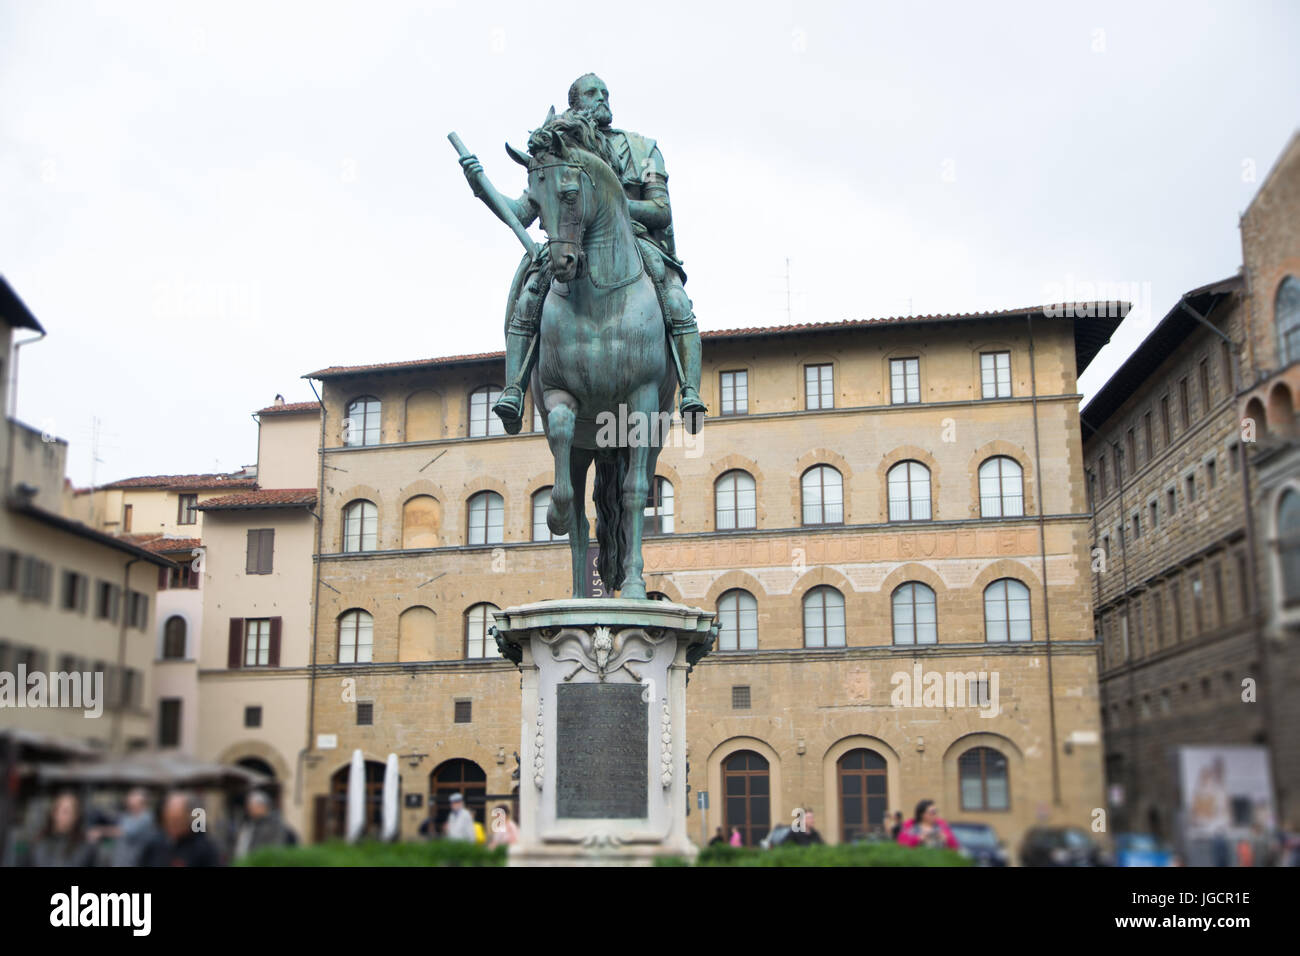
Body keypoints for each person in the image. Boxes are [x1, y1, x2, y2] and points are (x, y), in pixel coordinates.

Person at [459, 73, 707, 435]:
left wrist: (614, 205)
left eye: (605, 93)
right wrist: (482, 189)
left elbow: (660, 209)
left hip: (632, 242)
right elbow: (523, 212)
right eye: (592, 93)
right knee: (530, 294)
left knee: (676, 297)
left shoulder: (642, 149)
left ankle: (689, 392)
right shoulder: (556, 153)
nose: (603, 98)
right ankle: (514, 389)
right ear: (575, 103)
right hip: (566, 241)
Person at [140, 791, 220, 867]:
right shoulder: (154, 844)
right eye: (169, 821)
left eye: (178, 821)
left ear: (188, 818)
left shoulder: (203, 848)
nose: (173, 826)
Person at [19, 791, 98, 866]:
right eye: (61, 810)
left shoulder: (86, 848)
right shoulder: (37, 845)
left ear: (76, 816)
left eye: (68, 811)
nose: (63, 816)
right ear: (53, 813)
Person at [231, 790, 292, 861]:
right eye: (250, 806)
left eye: (253, 806)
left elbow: (274, 849)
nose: (250, 809)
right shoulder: (248, 823)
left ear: (263, 807)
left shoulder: (275, 826)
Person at [106, 787, 158, 867]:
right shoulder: (127, 816)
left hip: (136, 863)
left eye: (132, 797)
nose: (128, 799)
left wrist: (100, 832)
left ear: (142, 801)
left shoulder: (146, 818)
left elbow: (123, 832)